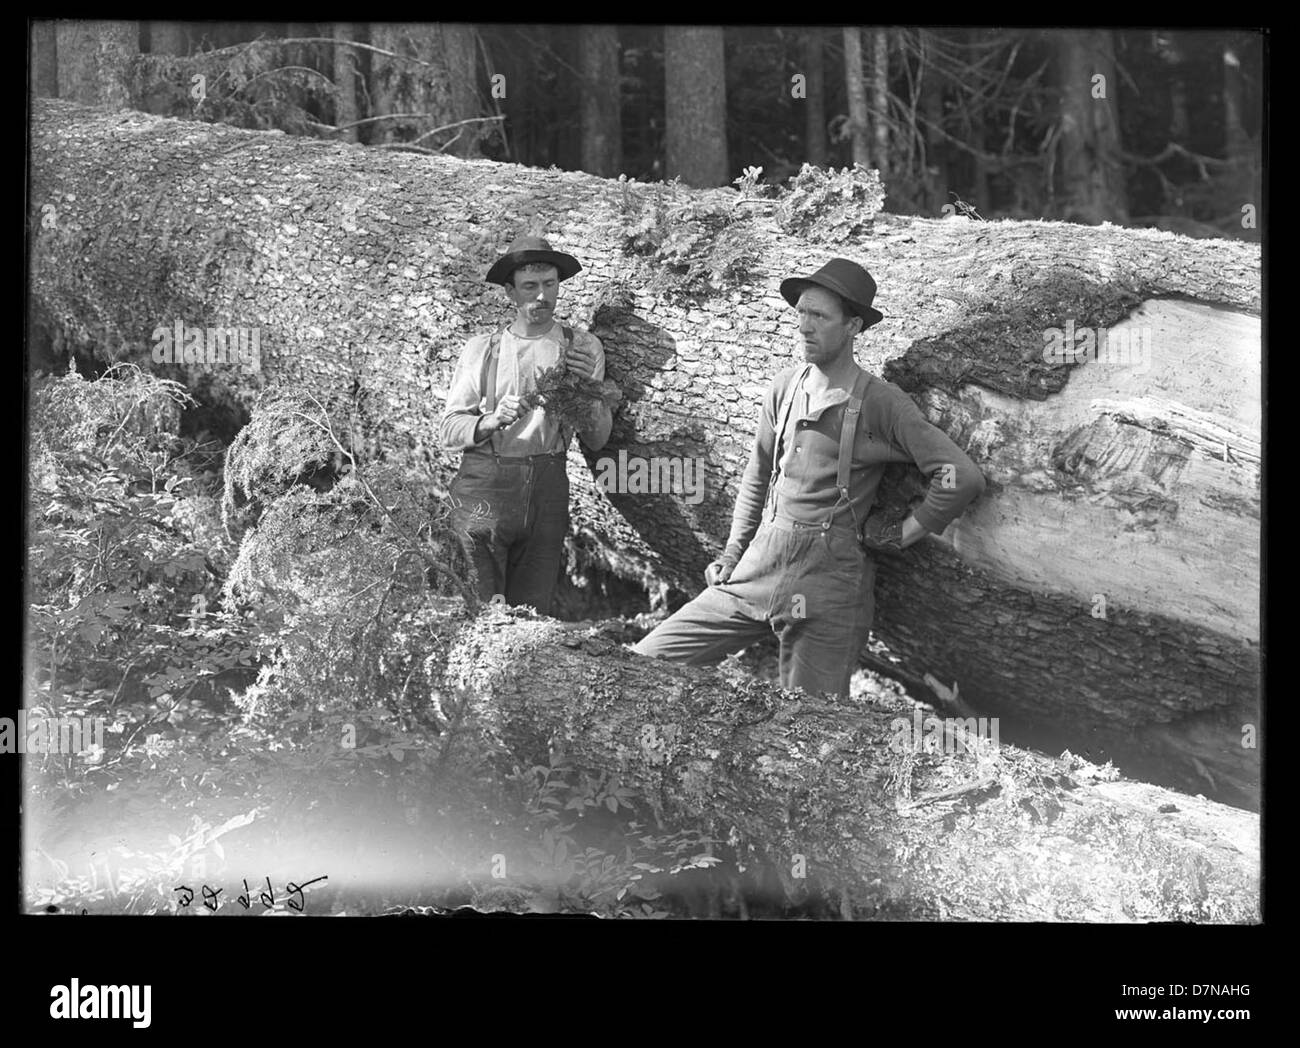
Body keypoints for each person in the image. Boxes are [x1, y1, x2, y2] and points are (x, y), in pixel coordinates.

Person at [632, 258, 985, 698]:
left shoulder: (880, 403)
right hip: (757, 570)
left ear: (853, 326)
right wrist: (731, 554)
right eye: (800, 312)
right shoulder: (785, 387)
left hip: (828, 589)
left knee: (808, 727)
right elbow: (756, 476)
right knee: (641, 663)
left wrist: (904, 533)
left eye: (819, 316)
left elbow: (961, 476)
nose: (803, 326)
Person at [440, 236, 612, 614]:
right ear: (510, 293)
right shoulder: (483, 349)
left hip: (547, 489)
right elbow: (449, 429)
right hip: (485, 491)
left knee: (532, 618)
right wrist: (491, 420)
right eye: (529, 287)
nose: (541, 297)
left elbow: (598, 440)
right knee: (479, 614)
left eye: (549, 285)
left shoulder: (581, 347)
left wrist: (591, 392)